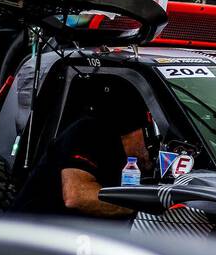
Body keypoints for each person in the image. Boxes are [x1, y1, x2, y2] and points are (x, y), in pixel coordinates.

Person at [13, 81, 152, 218]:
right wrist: (140, 206)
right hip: (32, 231)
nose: (155, 147)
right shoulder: (88, 132)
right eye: (151, 134)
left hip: (76, 233)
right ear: (138, 130)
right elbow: (76, 196)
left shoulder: (130, 162)